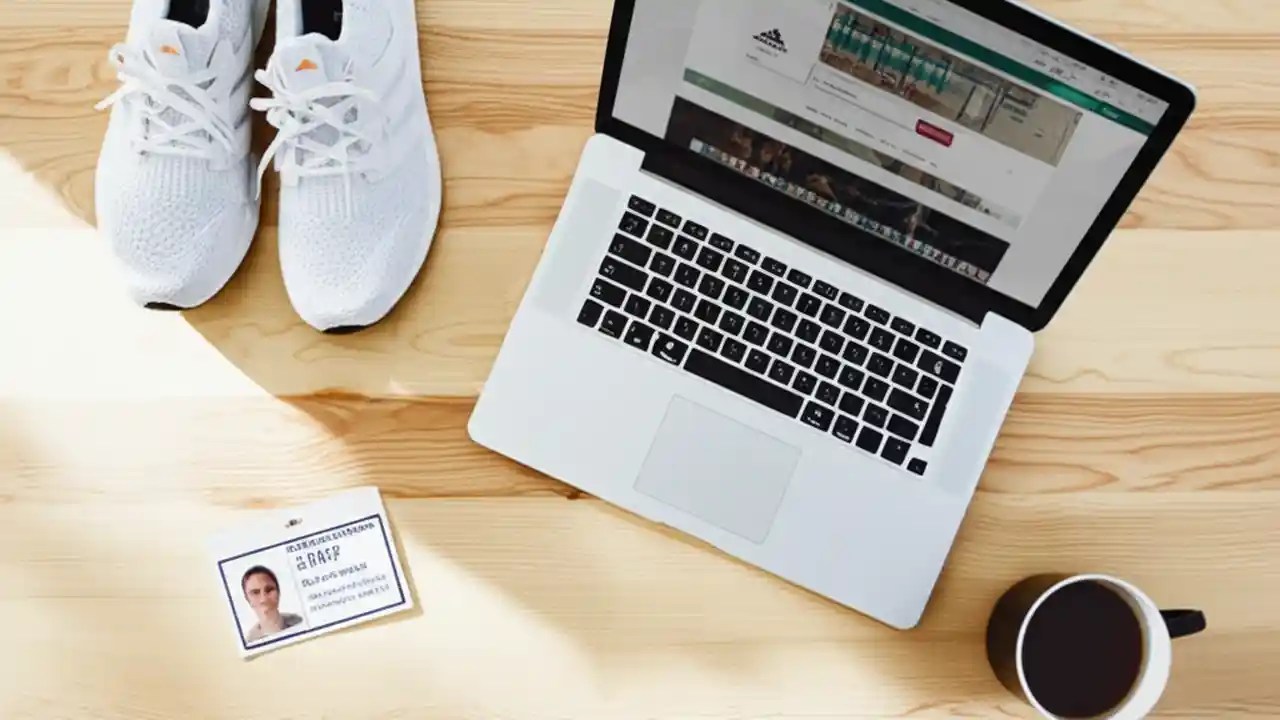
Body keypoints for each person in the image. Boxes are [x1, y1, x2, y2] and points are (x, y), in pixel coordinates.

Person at [241, 566, 304, 643]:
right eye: (255, 592)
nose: (264, 599)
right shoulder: (250, 641)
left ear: (279, 592)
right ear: (247, 599)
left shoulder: (300, 622)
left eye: (269, 589)